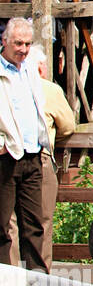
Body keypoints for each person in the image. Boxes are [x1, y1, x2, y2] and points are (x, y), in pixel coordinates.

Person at [6, 45, 76, 269]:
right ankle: (38, 284)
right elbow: (67, 126)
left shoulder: (6, 86)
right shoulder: (49, 90)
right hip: (40, 158)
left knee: (9, 223)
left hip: (8, 156)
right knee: (40, 223)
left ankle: (10, 281)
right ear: (40, 69)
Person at [0, 17, 53, 271]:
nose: (22, 49)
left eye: (27, 44)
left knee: (34, 225)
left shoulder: (30, 68)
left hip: (33, 154)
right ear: (5, 42)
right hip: (6, 156)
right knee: (2, 226)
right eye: (18, 43)